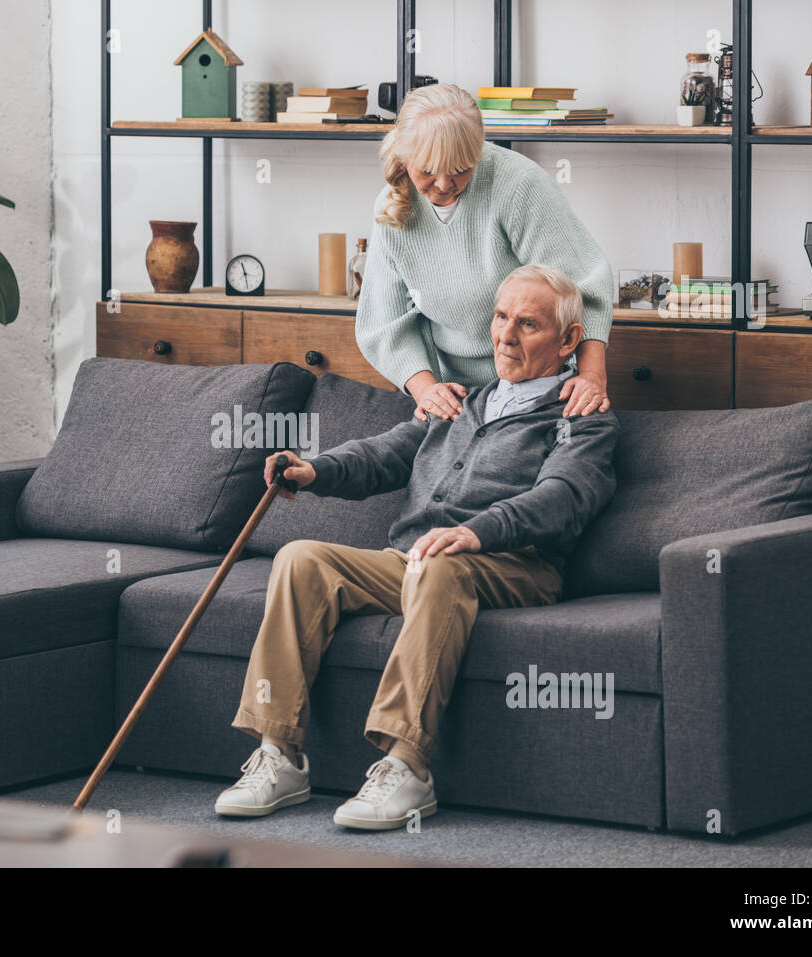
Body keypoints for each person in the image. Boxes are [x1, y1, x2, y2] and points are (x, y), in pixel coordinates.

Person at [215, 264, 619, 830]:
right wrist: (314, 470)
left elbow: (564, 497)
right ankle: (278, 754)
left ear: (569, 339)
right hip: (414, 560)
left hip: (514, 565)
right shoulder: (465, 400)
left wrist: (481, 531)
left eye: (527, 324)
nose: (505, 335)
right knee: (301, 559)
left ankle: (406, 767)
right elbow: (386, 452)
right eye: (501, 317)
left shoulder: (581, 416)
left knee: (437, 567)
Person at [357, 82, 616, 424]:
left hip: (538, 391)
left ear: (478, 151)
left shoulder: (517, 184)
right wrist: (426, 390)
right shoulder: (391, 206)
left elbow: (584, 287)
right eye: (429, 171)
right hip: (458, 400)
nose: (444, 185)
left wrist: (592, 378)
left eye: (461, 169)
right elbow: (384, 322)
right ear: (405, 157)